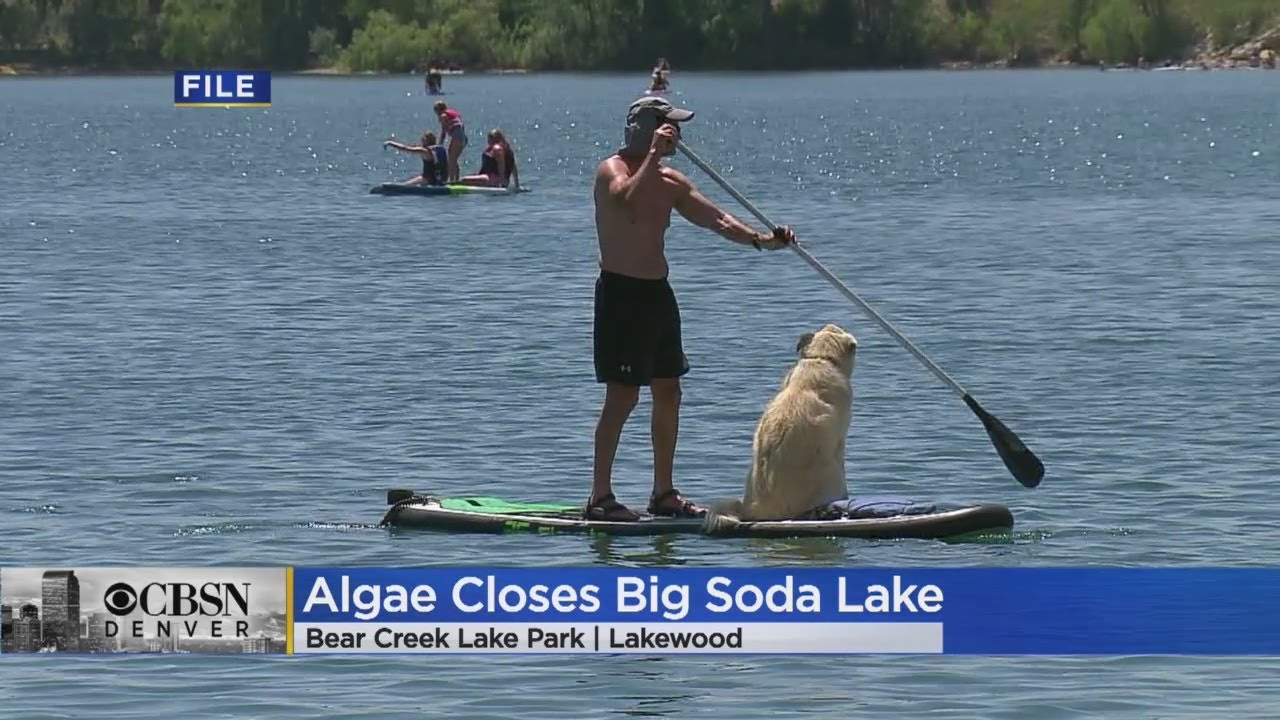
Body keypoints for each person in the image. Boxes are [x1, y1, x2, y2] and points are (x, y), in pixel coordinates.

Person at [585, 96, 796, 521]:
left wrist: (762, 241)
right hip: (622, 296)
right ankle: (599, 497)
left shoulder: (671, 181)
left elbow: (717, 219)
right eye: (668, 125)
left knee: (669, 391)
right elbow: (625, 200)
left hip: (657, 295)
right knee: (623, 396)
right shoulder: (612, 170)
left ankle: (663, 493)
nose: (677, 134)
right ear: (645, 127)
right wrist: (652, 155)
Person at [383, 132, 449, 186]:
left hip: (427, 179)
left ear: (425, 141)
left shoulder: (424, 151)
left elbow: (405, 148)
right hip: (439, 179)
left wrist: (390, 143)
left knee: (405, 185)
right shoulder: (437, 150)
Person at [433, 100, 467, 182]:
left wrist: (439, 145)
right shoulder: (451, 113)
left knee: (451, 159)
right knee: (453, 159)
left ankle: (452, 180)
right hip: (463, 137)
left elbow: (443, 132)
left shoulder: (443, 116)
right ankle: (456, 179)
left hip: (457, 136)